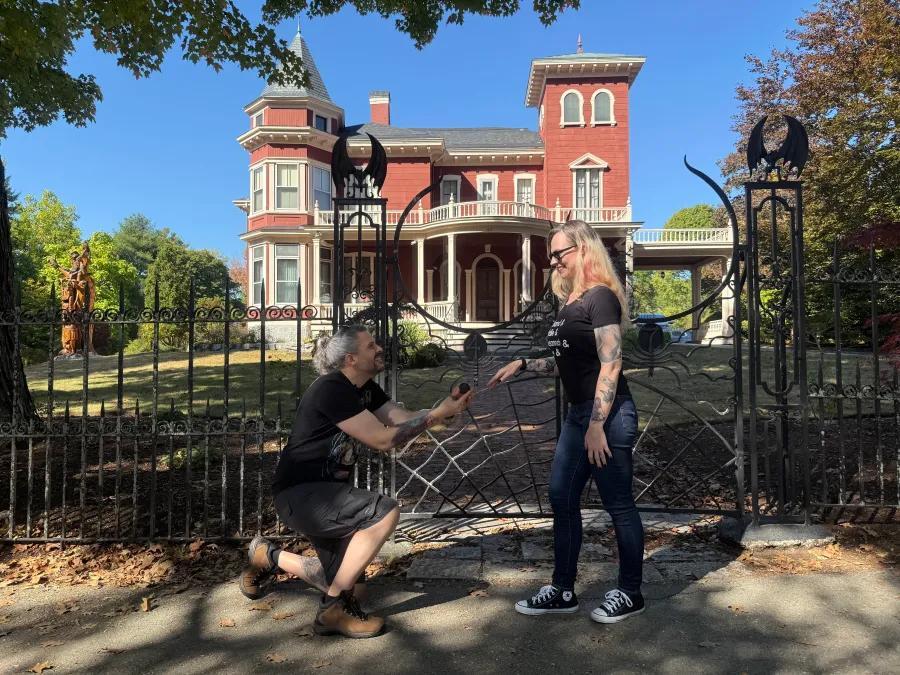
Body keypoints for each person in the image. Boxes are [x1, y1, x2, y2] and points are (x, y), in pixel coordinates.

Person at [239, 324, 473, 638]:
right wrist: (434, 416)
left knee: (353, 587)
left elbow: (399, 419)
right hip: (302, 496)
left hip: (328, 496)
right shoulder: (332, 388)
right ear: (351, 358)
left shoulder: (365, 388)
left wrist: (442, 410)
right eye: (371, 345)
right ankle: (331, 611)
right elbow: (381, 439)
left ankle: (268, 556)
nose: (379, 349)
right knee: (385, 511)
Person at [488, 220, 644, 624]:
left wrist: (597, 424)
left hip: (606, 417)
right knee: (562, 499)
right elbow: (565, 364)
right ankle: (562, 589)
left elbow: (611, 363)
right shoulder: (571, 302)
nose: (553, 260)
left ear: (585, 250)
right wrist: (523, 363)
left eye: (560, 253)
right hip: (581, 417)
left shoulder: (601, 298)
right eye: (552, 254)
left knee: (618, 506)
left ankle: (630, 591)